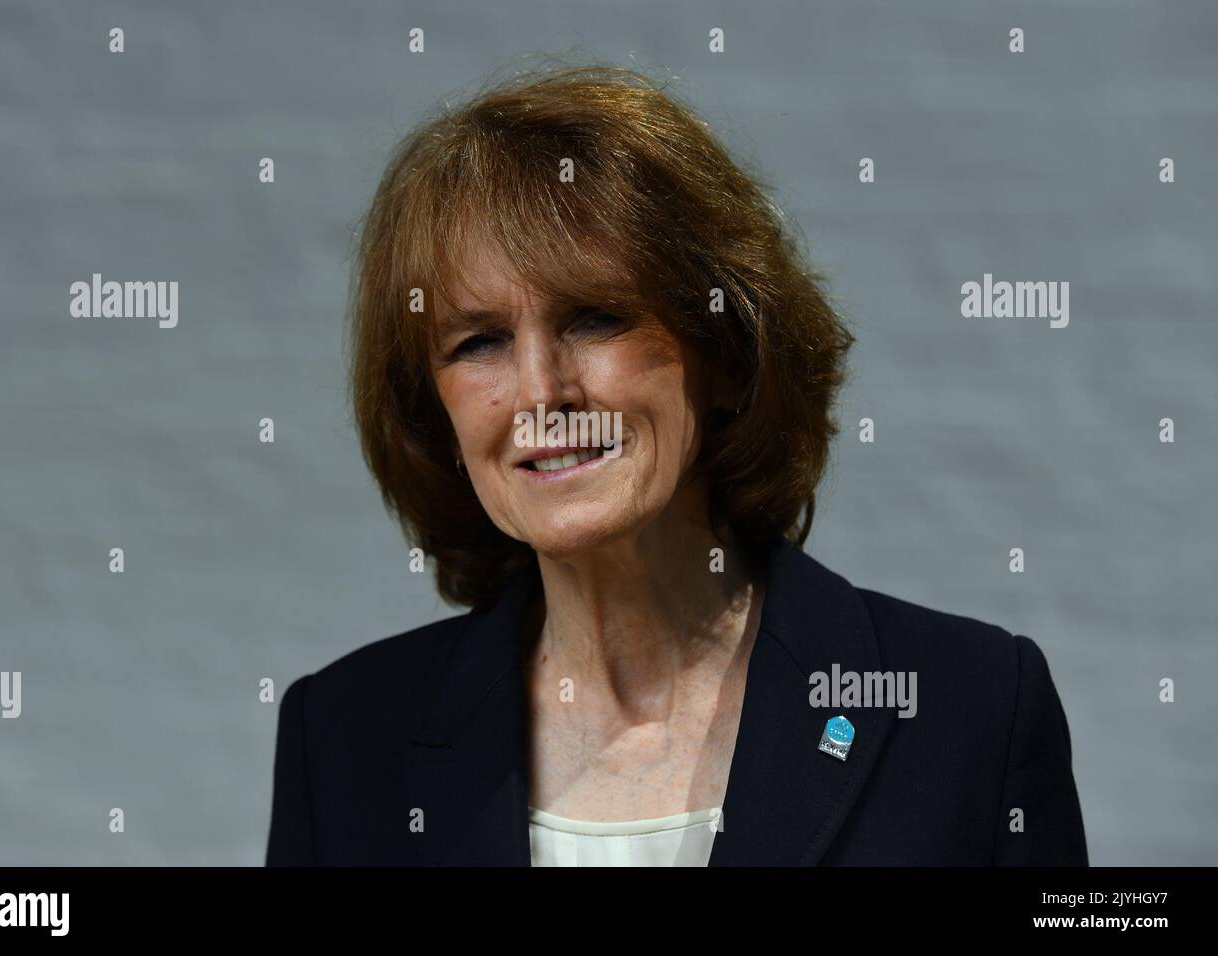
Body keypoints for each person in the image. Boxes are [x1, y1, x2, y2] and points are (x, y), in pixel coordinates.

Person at [265, 64, 1088, 866]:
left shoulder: (966, 707)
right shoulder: (341, 740)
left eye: (596, 318)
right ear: (437, 414)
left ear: (726, 355)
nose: (540, 391)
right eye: (478, 343)